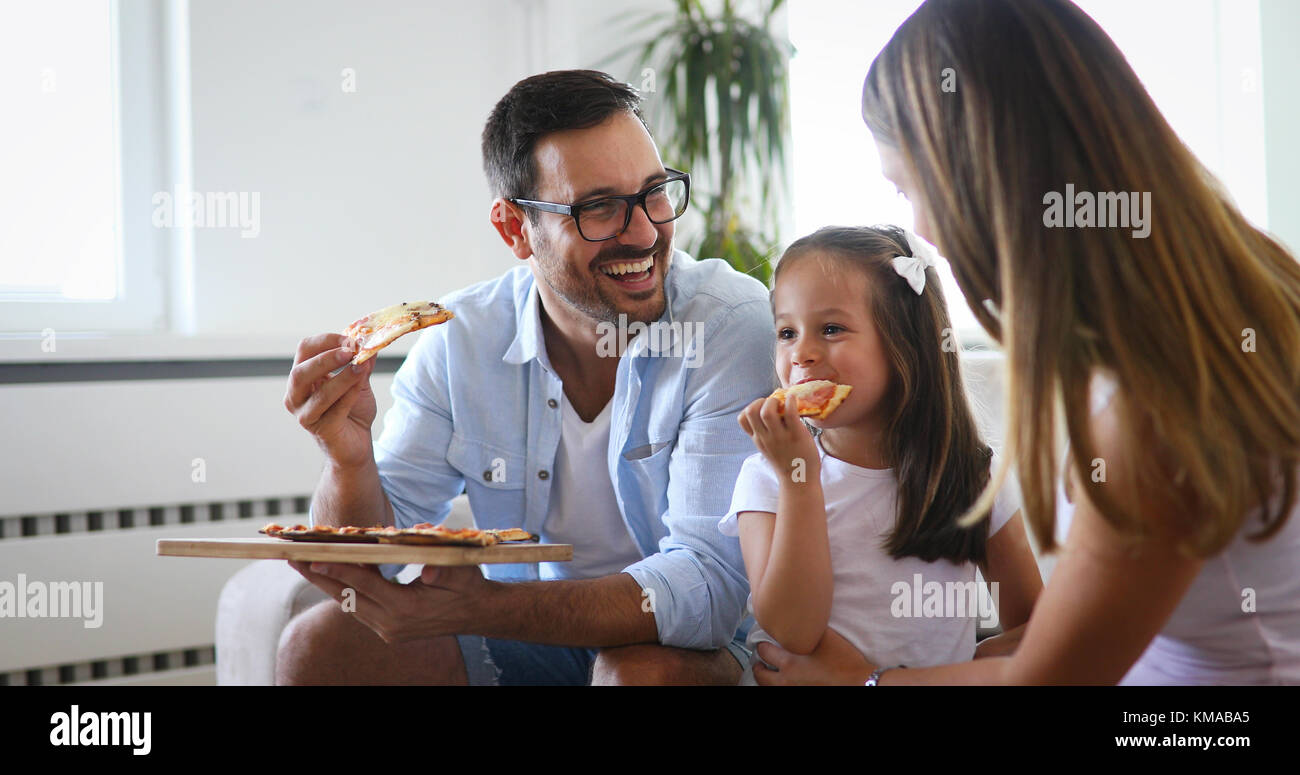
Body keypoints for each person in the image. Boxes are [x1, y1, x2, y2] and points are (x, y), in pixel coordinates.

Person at [754, 0, 1300, 685]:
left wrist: (869, 681)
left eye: (911, 190)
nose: (922, 229)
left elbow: (1046, 679)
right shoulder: (1252, 295)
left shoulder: (1153, 410)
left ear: (982, 179)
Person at [278, 70, 775, 685]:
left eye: (654, 192)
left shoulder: (730, 324)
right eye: (598, 208)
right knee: (319, 646)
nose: (645, 232)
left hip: (702, 650)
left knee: (638, 675)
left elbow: (708, 591)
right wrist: (346, 458)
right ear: (515, 228)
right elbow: (364, 556)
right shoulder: (460, 340)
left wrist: (485, 606)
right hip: (534, 636)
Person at [725, 225, 1042, 685]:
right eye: (787, 332)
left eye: (831, 329)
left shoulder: (971, 477)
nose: (802, 354)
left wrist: (963, 667)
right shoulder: (766, 478)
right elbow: (792, 632)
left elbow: (1040, 630)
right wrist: (800, 480)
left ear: (904, 346)